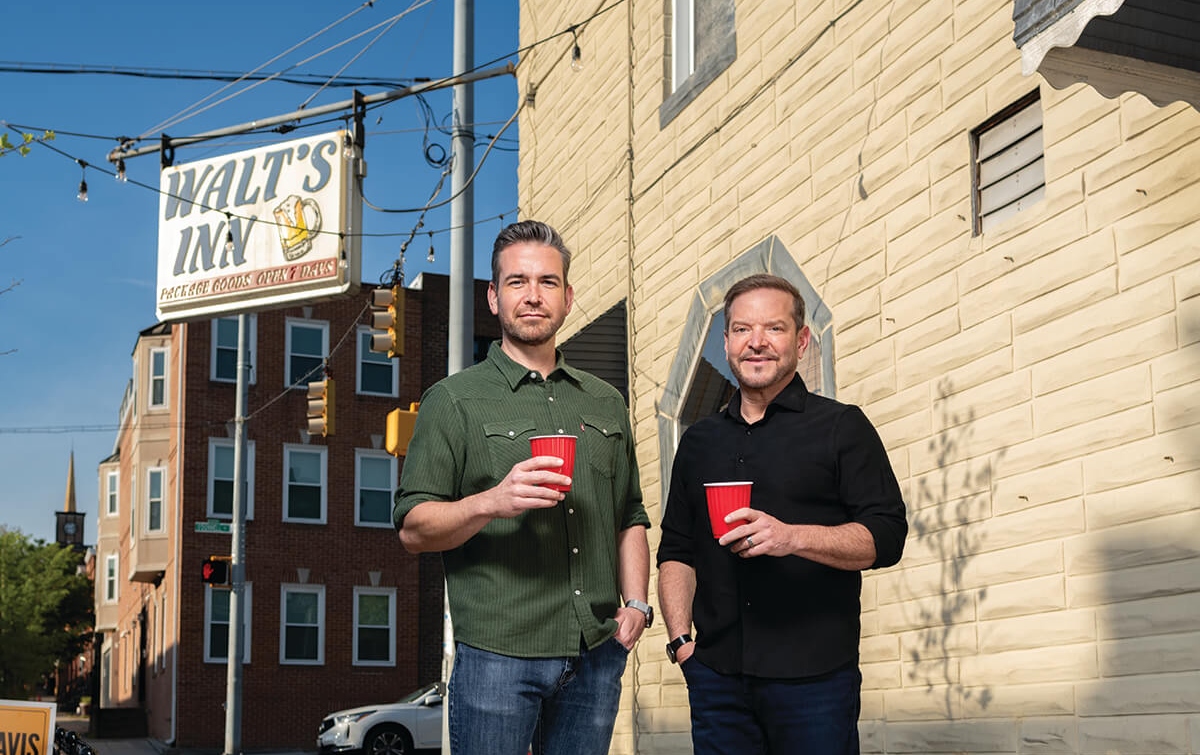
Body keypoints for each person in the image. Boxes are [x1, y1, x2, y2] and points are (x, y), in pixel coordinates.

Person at [393, 220, 651, 755]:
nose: (533, 296)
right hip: (498, 656)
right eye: (516, 282)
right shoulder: (454, 400)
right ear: (493, 297)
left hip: (598, 650)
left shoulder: (604, 402)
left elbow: (629, 515)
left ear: (568, 297)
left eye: (548, 282)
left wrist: (638, 605)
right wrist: (493, 501)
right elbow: (414, 528)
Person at [657, 273, 908, 755]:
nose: (756, 343)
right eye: (740, 329)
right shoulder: (698, 442)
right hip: (716, 681)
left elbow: (887, 536)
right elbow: (677, 549)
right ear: (726, 341)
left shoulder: (842, 427)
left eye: (773, 328)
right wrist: (682, 643)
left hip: (815, 683)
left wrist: (792, 538)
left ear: (801, 340)